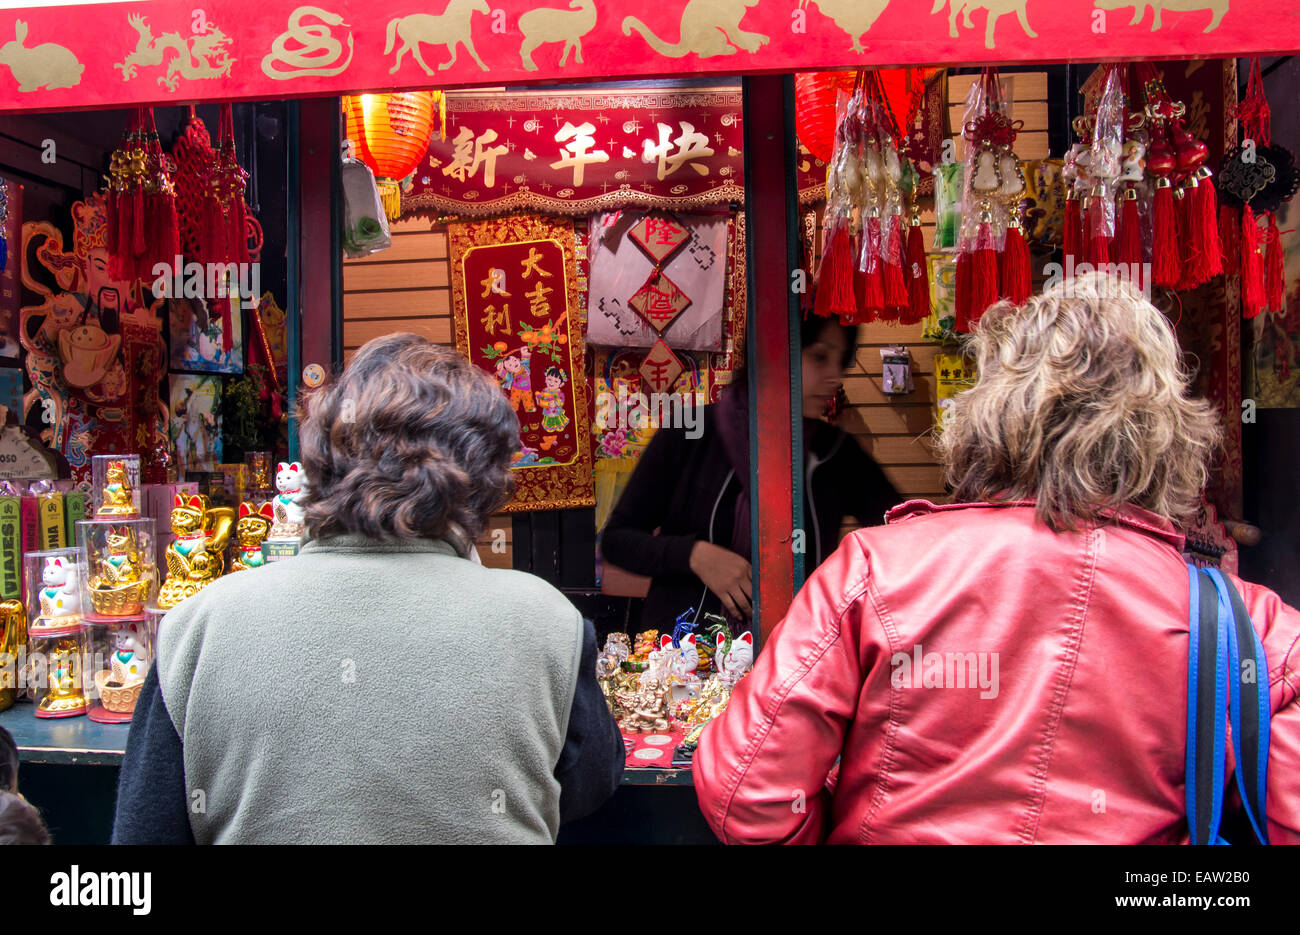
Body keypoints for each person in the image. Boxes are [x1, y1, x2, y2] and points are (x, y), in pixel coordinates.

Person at [694, 273, 1300, 844]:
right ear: (1170, 432)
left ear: (990, 411)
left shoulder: (874, 572)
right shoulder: (1257, 633)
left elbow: (747, 792)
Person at [113, 333, 624, 844]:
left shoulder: (199, 626)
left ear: (318, 465)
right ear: (487, 479)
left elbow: (143, 839)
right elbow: (588, 787)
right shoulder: (544, 620)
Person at [601, 312, 900, 629]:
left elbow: (900, 536)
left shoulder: (835, 454)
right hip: (685, 654)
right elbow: (618, 540)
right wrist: (695, 555)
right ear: (772, 352)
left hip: (795, 651)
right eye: (820, 357)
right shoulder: (690, 433)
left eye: (840, 362)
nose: (834, 377)